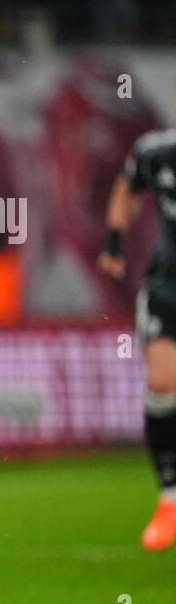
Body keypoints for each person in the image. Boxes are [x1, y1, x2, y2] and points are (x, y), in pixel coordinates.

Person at [98, 127, 176, 551]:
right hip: (168, 286)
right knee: (163, 381)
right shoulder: (157, 151)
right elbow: (127, 187)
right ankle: (170, 498)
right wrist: (113, 240)